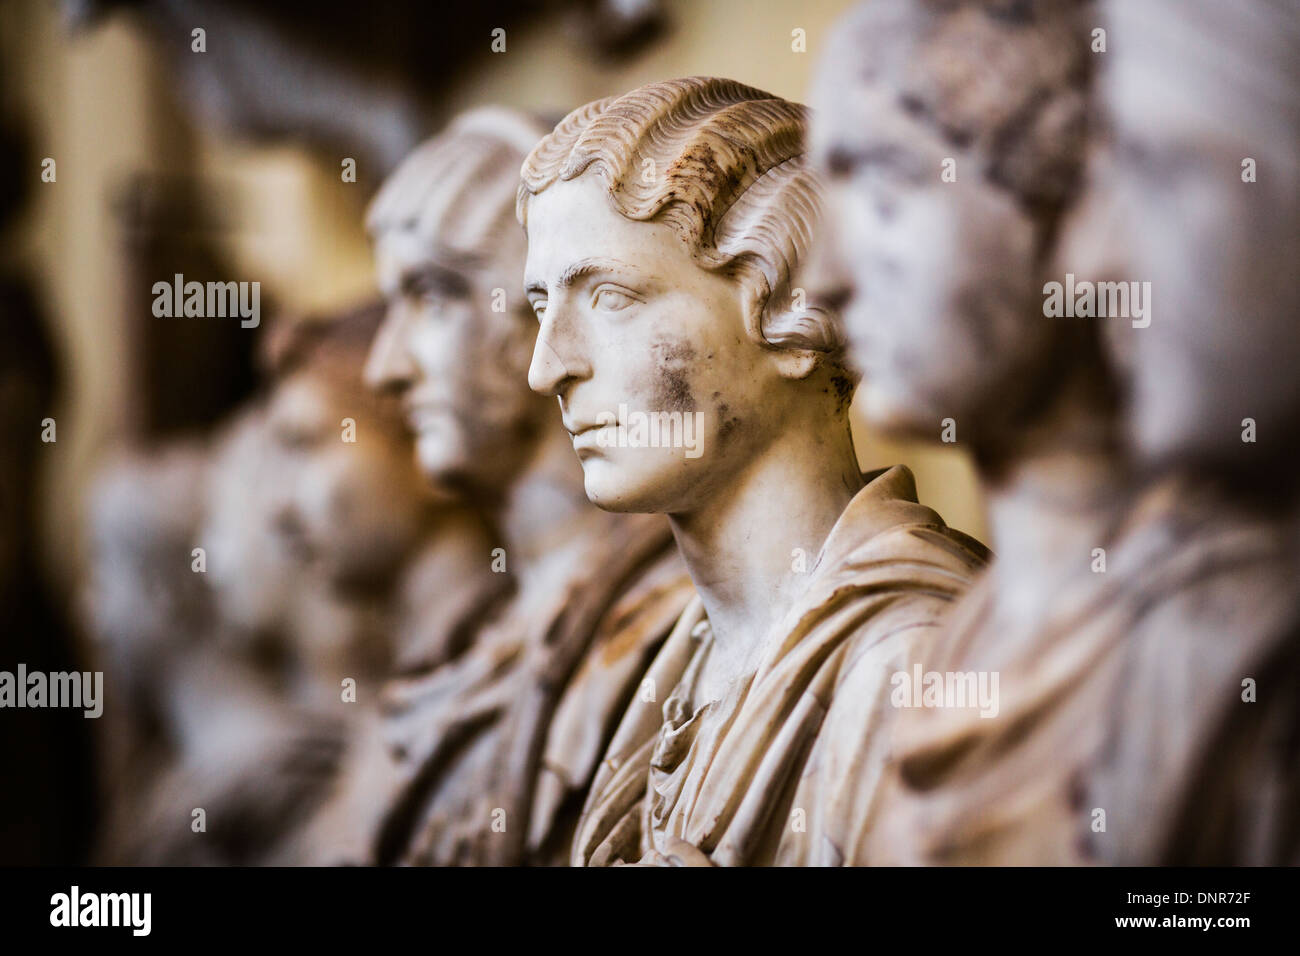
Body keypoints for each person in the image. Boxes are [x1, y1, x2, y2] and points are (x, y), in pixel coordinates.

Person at [519, 76, 988, 866]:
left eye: (609, 297)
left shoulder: (912, 667)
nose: (547, 367)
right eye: (540, 309)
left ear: (795, 314)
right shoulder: (689, 654)